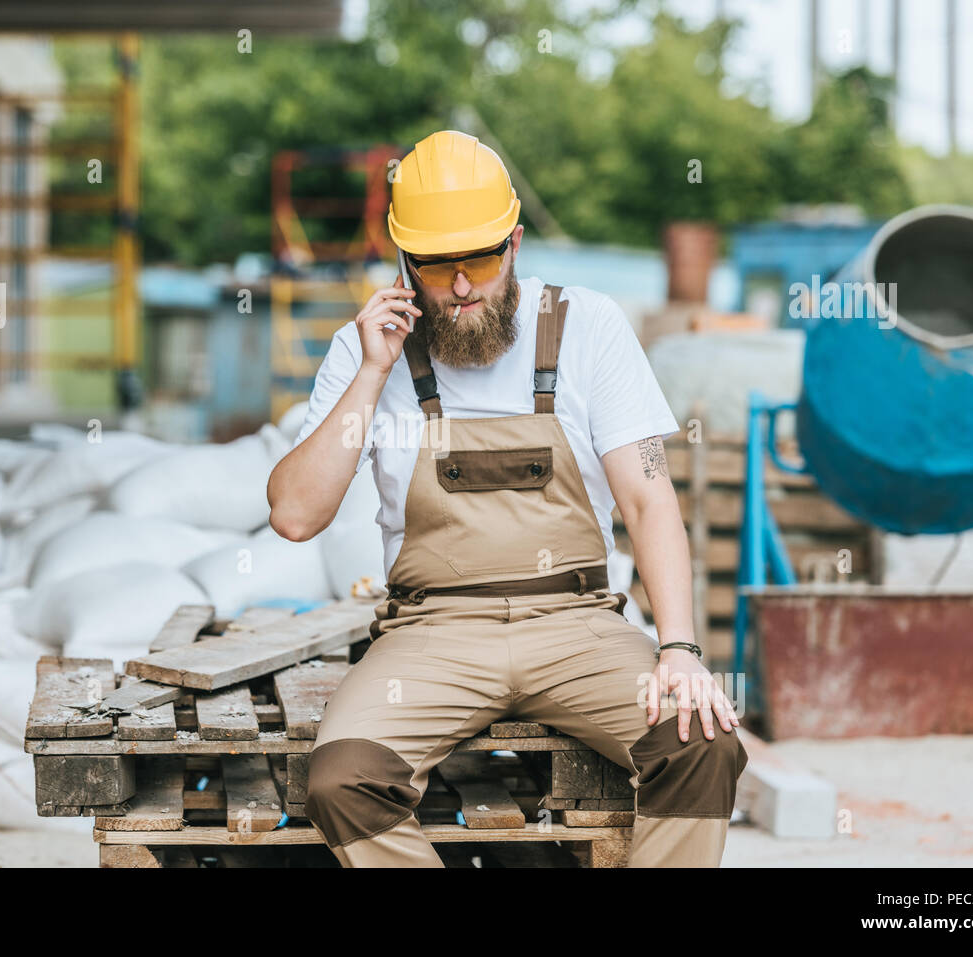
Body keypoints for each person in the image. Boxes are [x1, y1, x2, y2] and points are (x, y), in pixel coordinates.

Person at [267, 130, 746, 867]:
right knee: (343, 779)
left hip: (577, 623)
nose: (461, 286)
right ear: (403, 262)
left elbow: (651, 501)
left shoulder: (589, 327)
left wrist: (678, 648)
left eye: (481, 260)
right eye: (436, 265)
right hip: (433, 631)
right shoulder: (364, 353)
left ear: (516, 242)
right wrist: (371, 373)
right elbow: (296, 514)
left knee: (701, 743)